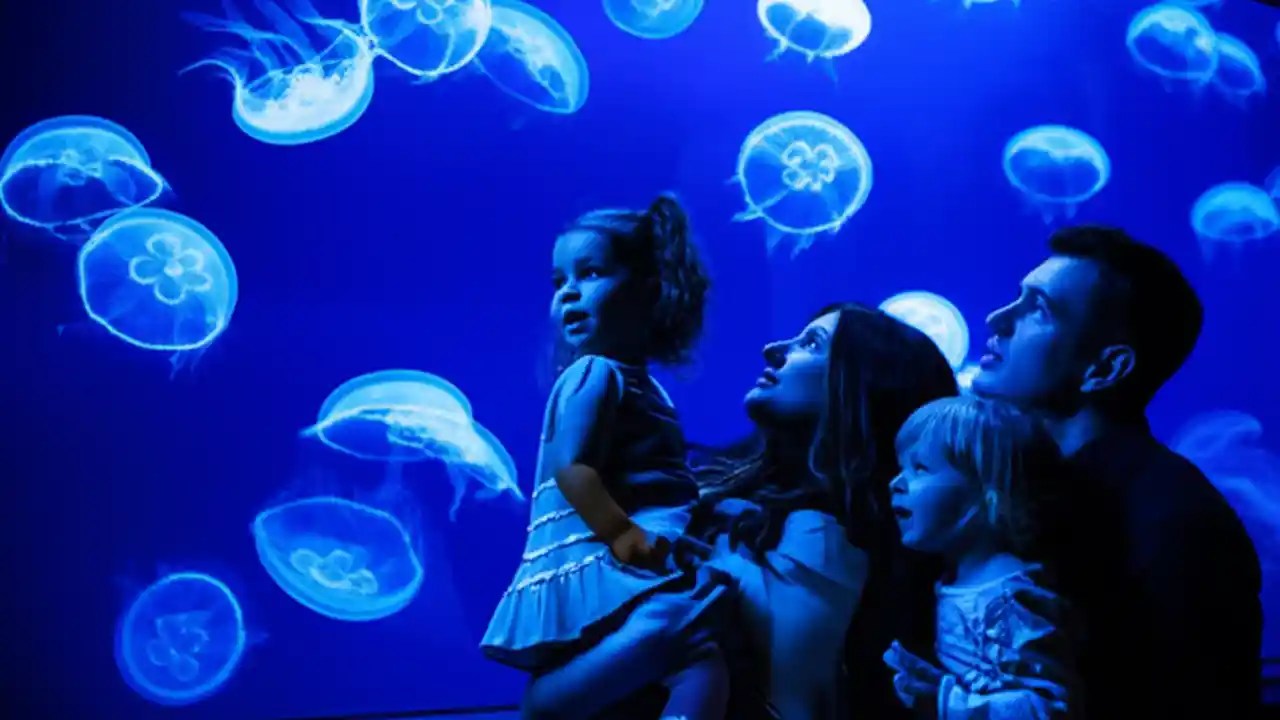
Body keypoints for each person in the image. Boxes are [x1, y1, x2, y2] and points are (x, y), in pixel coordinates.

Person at [972, 225, 1263, 717]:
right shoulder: (1035, 493)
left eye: (1039, 309)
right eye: (1016, 298)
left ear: (1104, 369)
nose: (997, 318)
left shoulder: (1173, 521)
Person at [480, 194, 729, 720]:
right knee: (698, 658)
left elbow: (655, 479)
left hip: (626, 549)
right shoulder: (595, 373)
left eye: (590, 273)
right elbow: (573, 469)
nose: (568, 292)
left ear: (651, 289)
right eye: (558, 281)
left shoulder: (640, 385)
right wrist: (622, 534)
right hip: (603, 554)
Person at [686, 302, 960, 719]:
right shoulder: (741, 492)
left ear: (860, 387)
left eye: (812, 344)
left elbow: (790, 706)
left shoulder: (821, 538)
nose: (773, 348)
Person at [884, 396, 1079, 719]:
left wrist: (945, 700)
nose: (896, 483)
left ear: (991, 492)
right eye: (901, 467)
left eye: (920, 468)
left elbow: (1050, 710)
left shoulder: (1008, 598)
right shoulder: (961, 578)